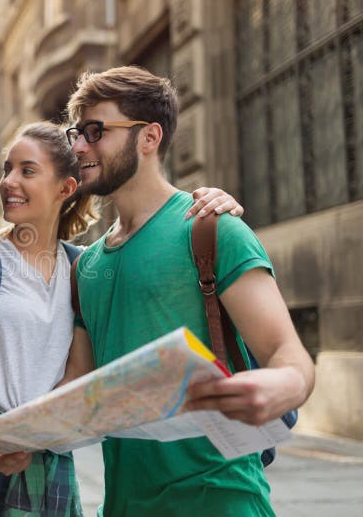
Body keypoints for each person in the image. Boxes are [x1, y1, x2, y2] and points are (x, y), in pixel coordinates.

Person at [0, 122, 243, 516]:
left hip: (43, 458)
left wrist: (215, 204)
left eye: (27, 171)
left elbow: (77, 376)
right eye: (7, 169)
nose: (9, 181)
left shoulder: (85, 270)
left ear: (65, 188)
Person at [66, 66, 315, 516]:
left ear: (149, 137)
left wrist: (284, 383)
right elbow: (77, 391)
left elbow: (289, 354)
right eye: (76, 134)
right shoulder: (86, 268)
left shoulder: (212, 229)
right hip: (122, 506)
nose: (80, 146)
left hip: (221, 499)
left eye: (95, 131)